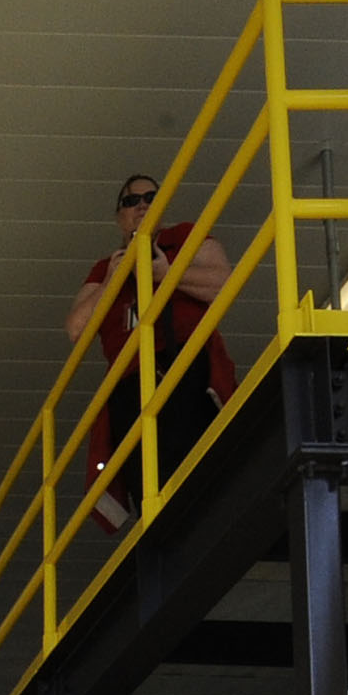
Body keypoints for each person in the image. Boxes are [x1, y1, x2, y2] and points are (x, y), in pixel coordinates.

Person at [64, 172, 236, 530]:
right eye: (131, 200)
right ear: (119, 215)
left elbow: (224, 284)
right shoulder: (105, 267)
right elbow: (76, 329)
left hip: (185, 370)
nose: (141, 205)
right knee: (148, 485)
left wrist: (166, 273)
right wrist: (113, 280)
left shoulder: (185, 239)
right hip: (130, 388)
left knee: (196, 472)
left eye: (150, 198)